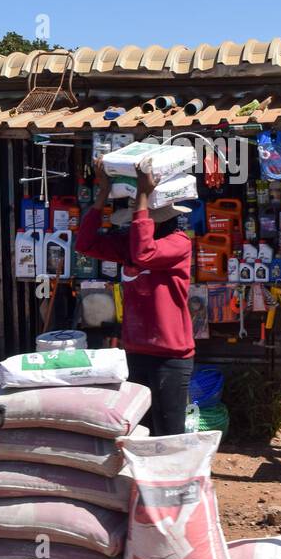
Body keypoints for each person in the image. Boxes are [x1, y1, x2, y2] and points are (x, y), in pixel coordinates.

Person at [76, 157, 195, 435]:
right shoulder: (128, 245)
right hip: (136, 351)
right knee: (138, 433)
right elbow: (85, 243)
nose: (133, 225)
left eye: (140, 218)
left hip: (171, 357)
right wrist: (102, 194)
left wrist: (142, 193)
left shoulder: (179, 244)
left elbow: (144, 253)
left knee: (169, 436)